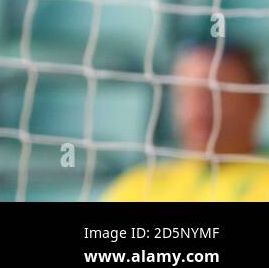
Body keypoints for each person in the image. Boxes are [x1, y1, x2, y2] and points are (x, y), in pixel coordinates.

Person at [102, 42, 269, 201]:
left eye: (215, 93)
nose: (199, 107)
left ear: (255, 100)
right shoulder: (138, 184)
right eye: (186, 94)